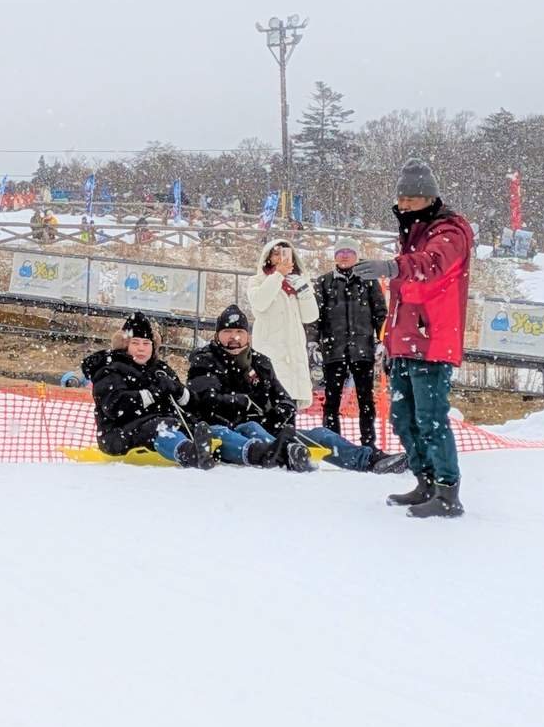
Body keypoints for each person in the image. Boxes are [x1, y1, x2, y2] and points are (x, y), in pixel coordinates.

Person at [352, 158, 474, 518]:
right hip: (405, 341)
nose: (402, 204)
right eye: (400, 197)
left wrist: (391, 267)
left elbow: (431, 265)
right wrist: (390, 342)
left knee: (431, 417)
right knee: (402, 417)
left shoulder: (450, 232)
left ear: (428, 198)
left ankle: (448, 491)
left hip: (432, 341)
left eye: (410, 198)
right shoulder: (414, 233)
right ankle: (425, 481)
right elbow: (404, 294)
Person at [187, 305, 406, 474]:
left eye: (239, 332)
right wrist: (241, 402)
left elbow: (283, 397)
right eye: (227, 332)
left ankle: (370, 460)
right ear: (217, 335)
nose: (234, 337)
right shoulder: (205, 361)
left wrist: (280, 411)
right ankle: (288, 452)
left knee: (320, 434)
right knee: (253, 425)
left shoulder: (260, 363)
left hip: (265, 427)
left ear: (247, 335)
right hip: (228, 429)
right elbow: (206, 399)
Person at [79, 311, 215, 469]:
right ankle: (190, 453)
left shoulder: (161, 369)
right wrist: (152, 393)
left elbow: (194, 405)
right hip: (118, 435)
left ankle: (246, 451)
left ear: (153, 346)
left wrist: (178, 391)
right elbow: (115, 407)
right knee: (161, 426)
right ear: (125, 345)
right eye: (135, 343)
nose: (141, 349)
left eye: (146, 343)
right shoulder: (110, 370)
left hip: (164, 424)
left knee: (202, 426)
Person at [314, 239, 387, 448]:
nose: (344, 256)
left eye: (349, 252)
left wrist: (383, 340)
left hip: (362, 350)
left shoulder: (368, 281)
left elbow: (380, 313)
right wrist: (313, 343)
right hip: (333, 349)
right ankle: (331, 443)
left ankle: (368, 442)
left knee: (365, 399)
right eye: (340, 252)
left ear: (356, 255)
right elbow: (314, 318)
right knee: (331, 400)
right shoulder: (323, 282)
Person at [245, 239, 318, 409]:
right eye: (276, 253)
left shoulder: (298, 282)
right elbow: (259, 303)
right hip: (270, 352)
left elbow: (310, 316)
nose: (280, 258)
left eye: (285, 253)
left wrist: (304, 290)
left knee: (290, 408)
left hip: (294, 355)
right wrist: (277, 276)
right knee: (270, 404)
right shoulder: (258, 281)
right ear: (268, 257)